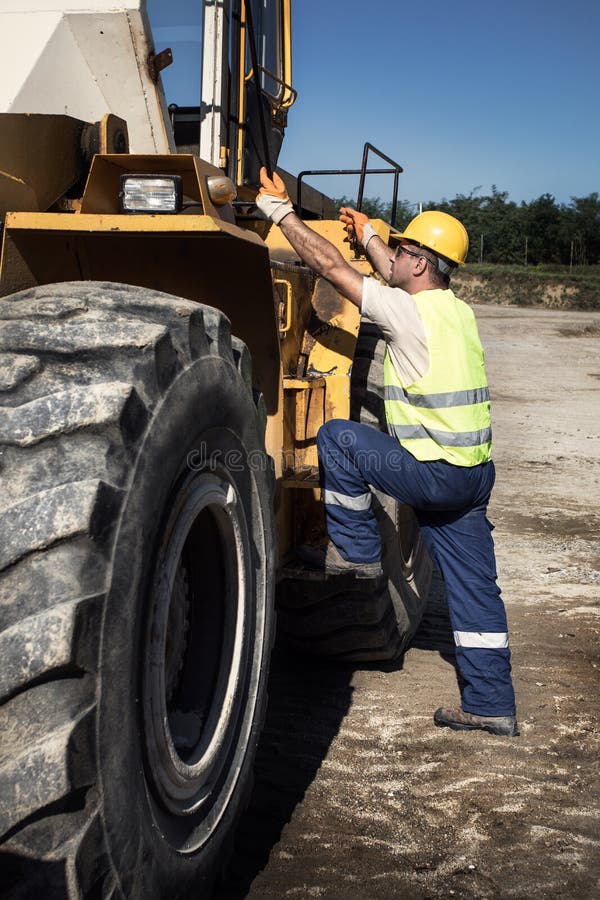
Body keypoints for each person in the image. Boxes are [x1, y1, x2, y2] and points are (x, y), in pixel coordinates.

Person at [256, 168, 518, 738]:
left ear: (420, 263)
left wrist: (280, 213)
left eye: (401, 250)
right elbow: (390, 273)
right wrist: (370, 230)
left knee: (337, 440)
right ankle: (492, 704)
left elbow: (331, 269)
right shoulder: (455, 310)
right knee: (476, 592)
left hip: (434, 473)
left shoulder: (407, 313)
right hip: (473, 477)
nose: (392, 256)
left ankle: (356, 555)